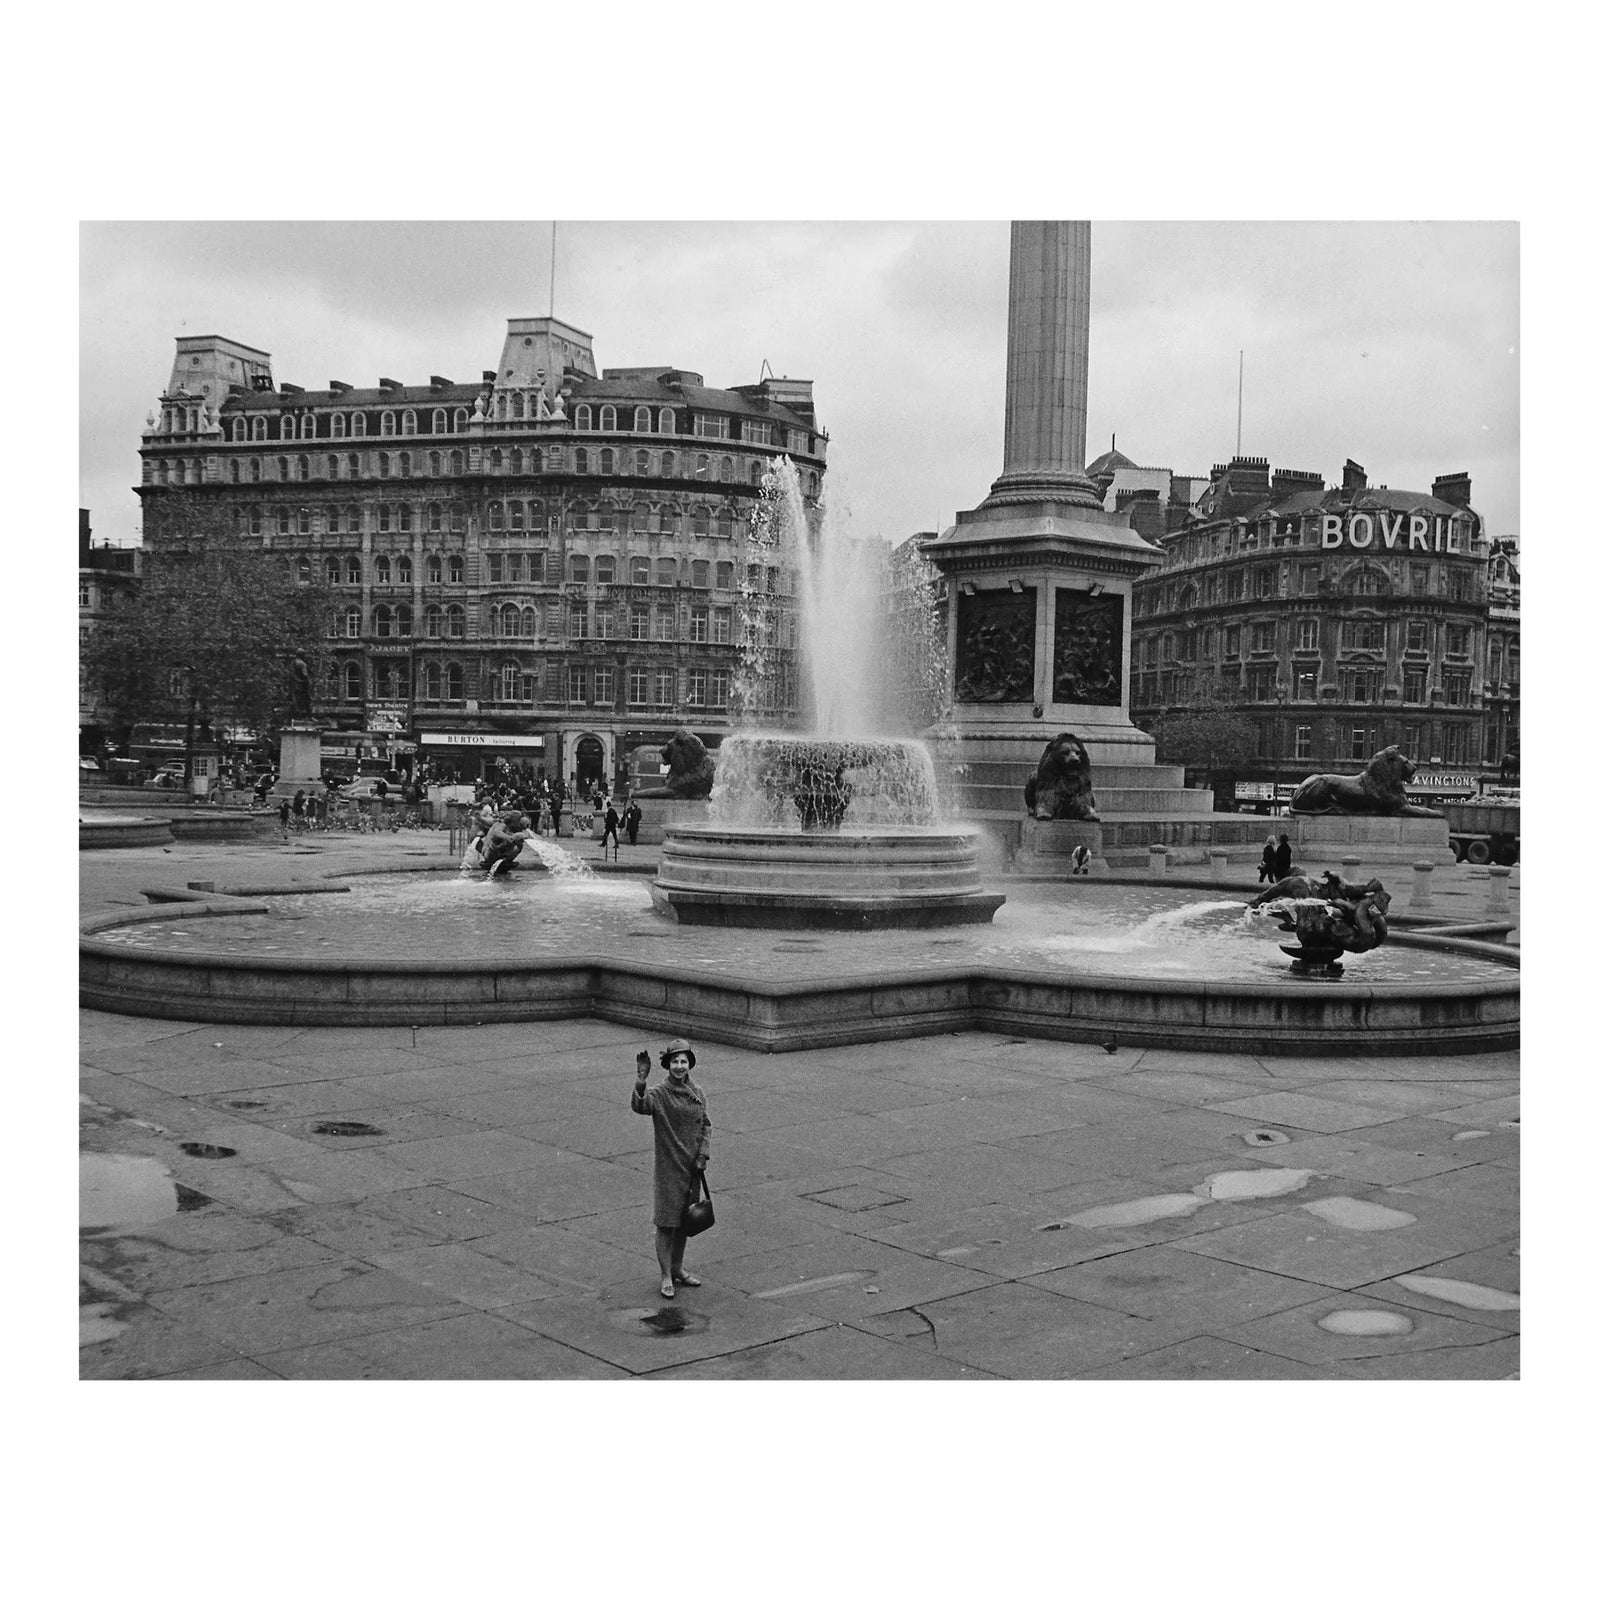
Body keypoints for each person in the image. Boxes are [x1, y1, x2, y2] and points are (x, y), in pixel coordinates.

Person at [631, 1039, 711, 1299]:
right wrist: (641, 1080)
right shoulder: (660, 1093)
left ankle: (677, 1268)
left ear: (690, 1064)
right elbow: (641, 1106)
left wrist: (702, 1155)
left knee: (685, 1221)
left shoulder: (697, 1091)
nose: (679, 1066)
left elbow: (706, 1125)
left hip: (692, 1167)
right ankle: (666, 1274)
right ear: (667, 1065)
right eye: (675, 1061)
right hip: (669, 1168)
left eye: (683, 1061)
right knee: (666, 1223)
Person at [481, 811, 534, 877]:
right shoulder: (502, 824)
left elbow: (527, 835)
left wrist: (520, 836)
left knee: (519, 844)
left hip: (498, 852)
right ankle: (504, 860)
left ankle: (506, 859)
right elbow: (496, 832)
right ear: (514, 819)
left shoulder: (512, 827)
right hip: (490, 852)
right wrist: (509, 838)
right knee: (515, 843)